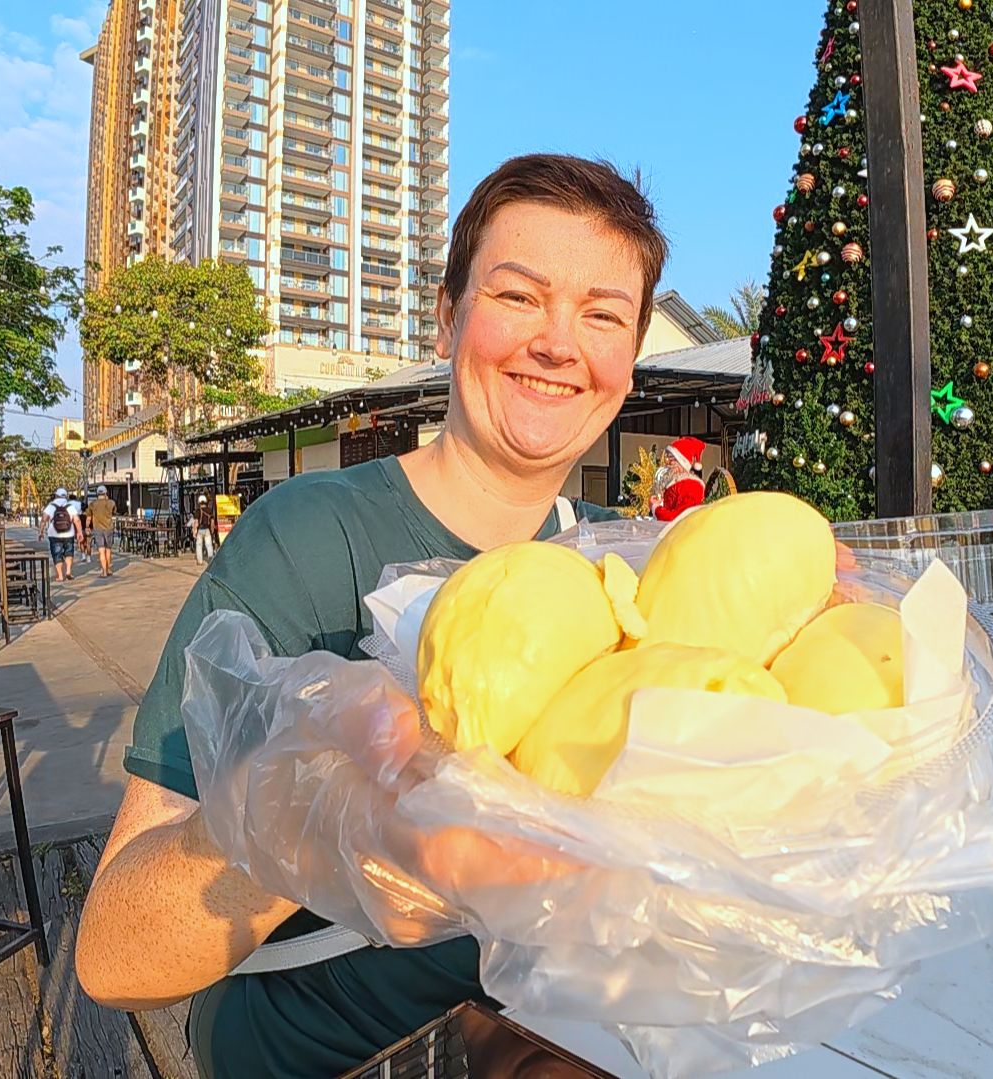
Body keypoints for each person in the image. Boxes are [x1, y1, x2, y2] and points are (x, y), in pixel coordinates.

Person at [75, 153, 667, 1078]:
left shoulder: (626, 575)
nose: (560, 343)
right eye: (519, 296)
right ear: (448, 315)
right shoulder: (306, 539)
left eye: (602, 315)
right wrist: (303, 818)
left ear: (627, 361)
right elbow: (114, 953)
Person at [650, 436, 707, 522]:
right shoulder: (677, 483)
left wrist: (656, 508)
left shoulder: (691, 486)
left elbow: (679, 518)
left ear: (682, 462)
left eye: (672, 459)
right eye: (668, 458)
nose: (668, 463)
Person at [40, 487, 84, 582]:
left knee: (57, 554)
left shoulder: (51, 506)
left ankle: (60, 575)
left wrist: (41, 532)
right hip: (69, 533)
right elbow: (77, 520)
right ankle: (68, 571)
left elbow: (44, 519)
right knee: (69, 552)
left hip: (54, 534)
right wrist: (79, 532)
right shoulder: (70, 506)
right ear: (66, 496)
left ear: (56, 495)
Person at [88, 485, 119, 578]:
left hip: (98, 529)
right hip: (109, 528)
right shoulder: (111, 502)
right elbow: (114, 512)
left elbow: (89, 517)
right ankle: (108, 569)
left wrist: (87, 527)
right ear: (106, 493)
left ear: (97, 494)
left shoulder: (93, 504)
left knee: (101, 551)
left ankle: (104, 571)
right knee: (108, 550)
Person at [191, 495, 217, 565]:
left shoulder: (198, 511)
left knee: (199, 545)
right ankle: (211, 560)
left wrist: (194, 531)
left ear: (199, 502)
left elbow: (196, 522)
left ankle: (200, 561)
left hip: (200, 530)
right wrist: (212, 530)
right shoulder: (209, 510)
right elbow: (212, 521)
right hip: (207, 530)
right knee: (209, 545)